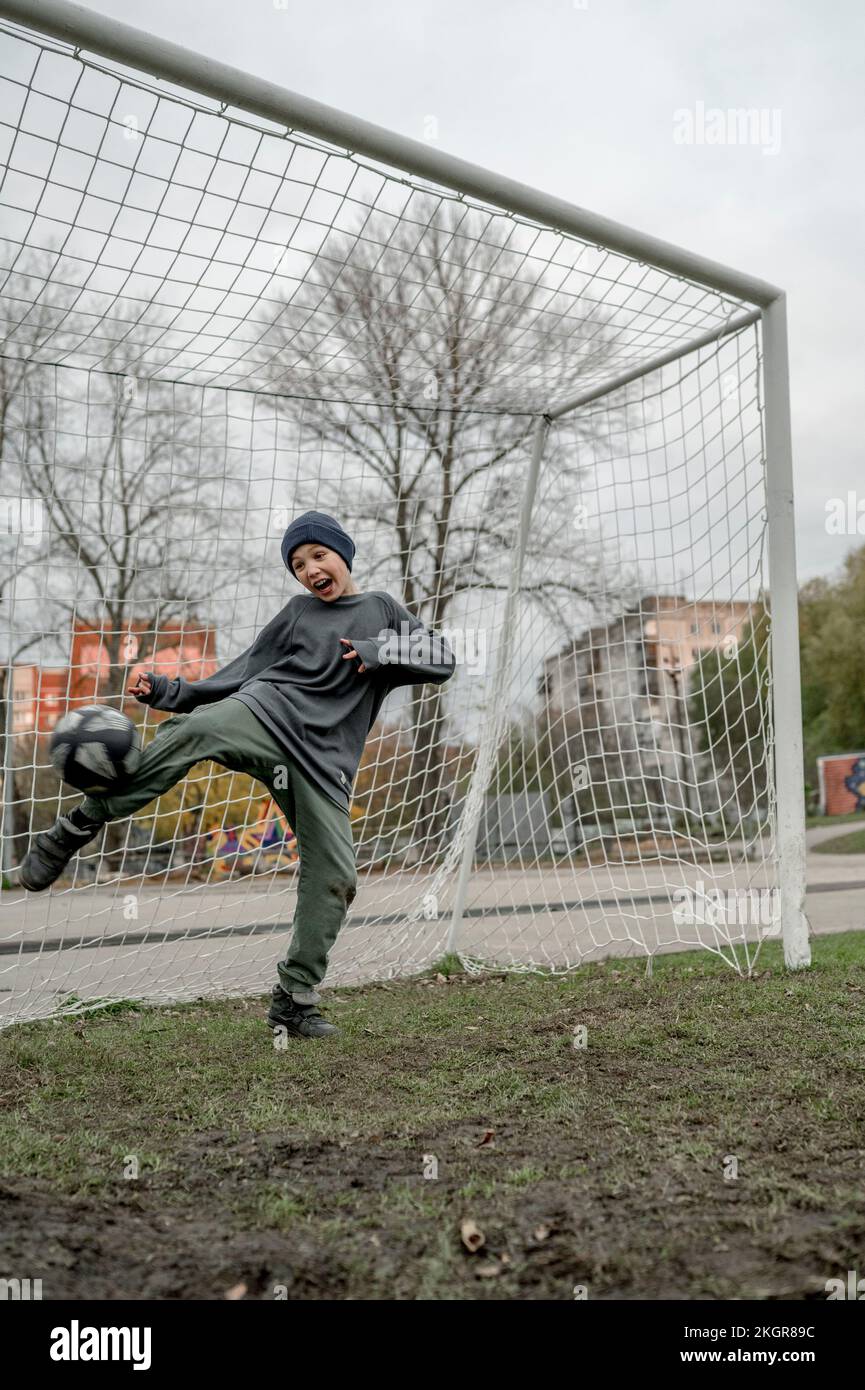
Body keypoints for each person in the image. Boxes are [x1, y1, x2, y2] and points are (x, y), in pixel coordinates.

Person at [19, 512, 456, 1039]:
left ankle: (294, 999)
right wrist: (168, 693)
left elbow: (441, 658)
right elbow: (238, 673)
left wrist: (375, 651)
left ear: (343, 553)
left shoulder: (380, 608)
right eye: (298, 564)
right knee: (193, 731)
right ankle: (74, 828)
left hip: (322, 764)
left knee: (336, 879)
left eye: (318, 555)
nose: (310, 569)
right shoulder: (297, 614)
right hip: (266, 715)